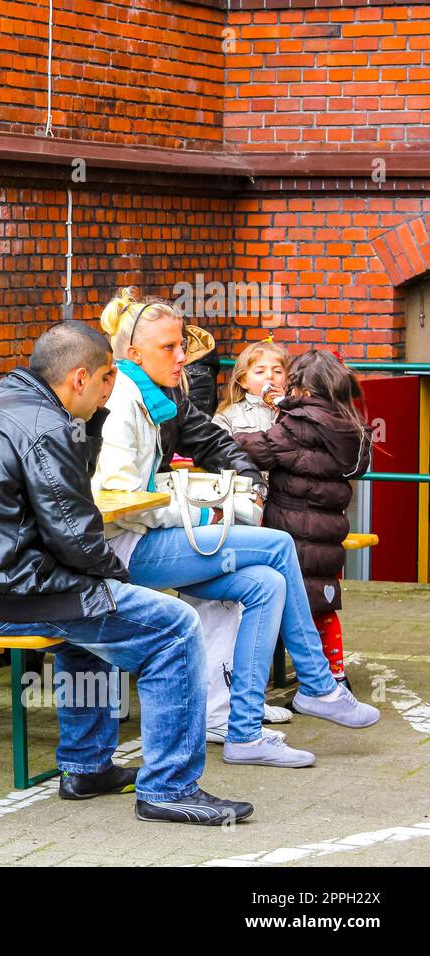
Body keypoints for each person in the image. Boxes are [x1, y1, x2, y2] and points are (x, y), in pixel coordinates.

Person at [0, 320, 255, 825]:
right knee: (174, 627)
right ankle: (170, 787)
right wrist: (117, 576)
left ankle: (87, 766)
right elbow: (76, 536)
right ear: (79, 378)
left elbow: (62, 530)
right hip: (6, 596)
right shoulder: (46, 427)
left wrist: (90, 426)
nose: (106, 397)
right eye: (104, 385)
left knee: (88, 625)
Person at [94, 287, 379, 770]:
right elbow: (120, 503)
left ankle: (243, 733)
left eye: (182, 345)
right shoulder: (124, 403)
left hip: (145, 537)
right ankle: (316, 684)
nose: (183, 355)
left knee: (266, 584)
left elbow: (206, 442)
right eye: (170, 348)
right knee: (276, 545)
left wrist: (242, 488)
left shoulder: (160, 397)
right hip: (120, 547)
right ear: (134, 352)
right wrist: (205, 513)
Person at [230, 351, 372, 688]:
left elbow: (262, 447)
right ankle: (335, 673)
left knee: (290, 598)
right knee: (322, 601)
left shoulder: (298, 425)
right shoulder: (346, 424)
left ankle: (306, 679)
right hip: (328, 528)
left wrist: (223, 439)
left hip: (294, 526)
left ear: (304, 390)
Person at [213, 339, 290, 436]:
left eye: (278, 371)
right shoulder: (229, 415)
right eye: (260, 372)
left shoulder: (293, 411)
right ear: (244, 381)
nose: (270, 375)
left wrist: (285, 406)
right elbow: (219, 446)